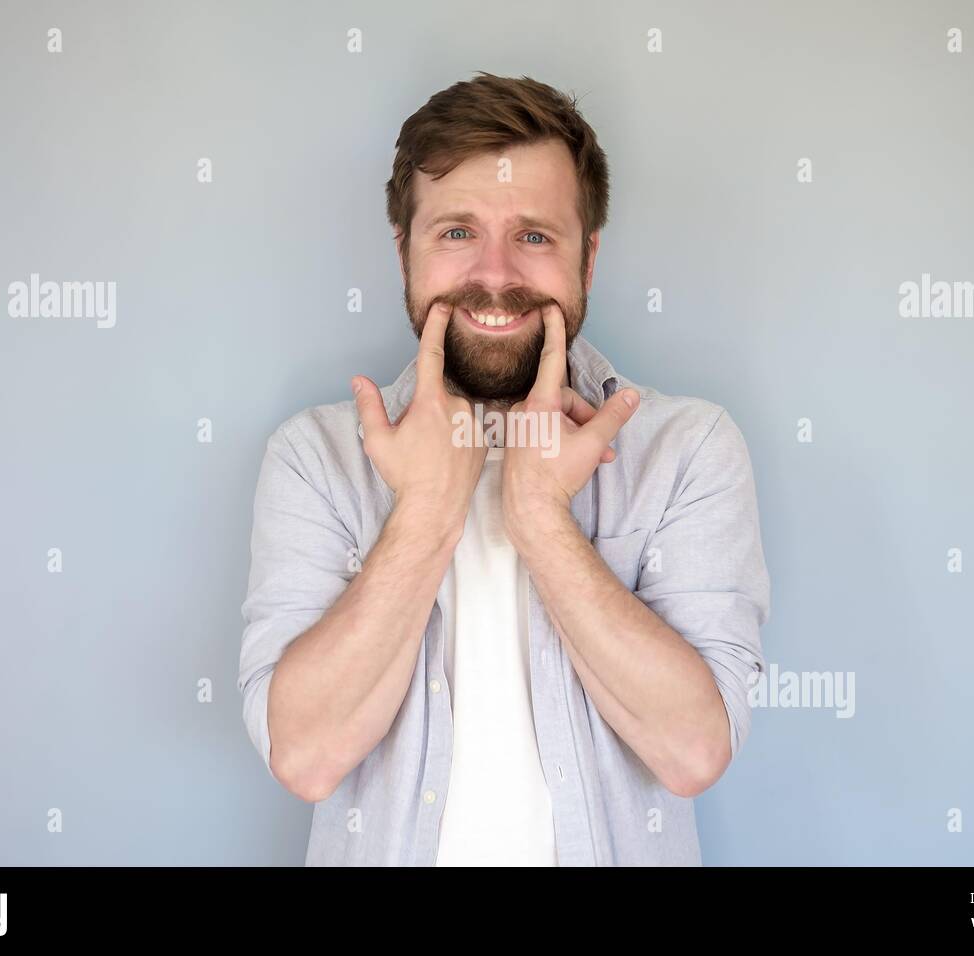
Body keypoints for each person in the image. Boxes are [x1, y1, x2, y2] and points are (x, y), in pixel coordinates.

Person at [238, 72, 770, 865]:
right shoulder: (315, 459)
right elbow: (306, 757)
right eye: (456, 232)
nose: (494, 274)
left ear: (587, 258)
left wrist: (539, 516)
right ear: (404, 251)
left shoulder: (688, 448)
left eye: (534, 235)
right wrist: (424, 512)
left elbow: (693, 752)